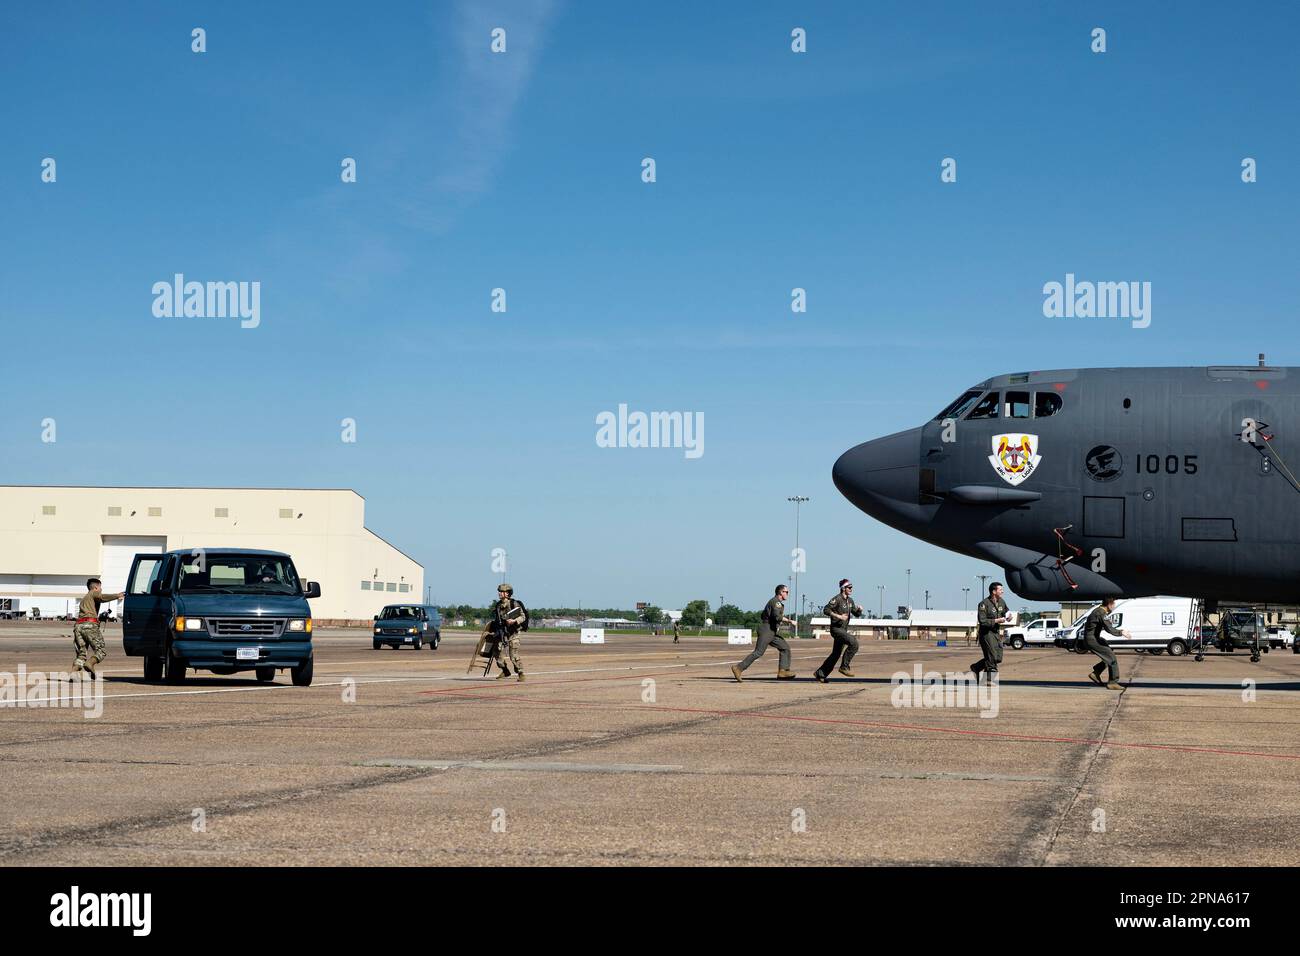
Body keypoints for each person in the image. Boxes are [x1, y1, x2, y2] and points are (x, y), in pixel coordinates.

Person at [731, 585, 797, 681]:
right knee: (758, 652)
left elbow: (764, 615)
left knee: (785, 647)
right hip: (767, 630)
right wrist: (790, 621)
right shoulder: (776, 602)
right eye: (786, 592)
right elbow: (776, 616)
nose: (787, 594)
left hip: (771, 631)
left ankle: (783, 671)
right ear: (780, 592)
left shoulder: (776, 603)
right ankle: (738, 668)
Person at [814, 579, 864, 682]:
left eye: (851, 587)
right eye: (849, 587)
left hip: (843, 630)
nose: (851, 589)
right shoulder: (837, 599)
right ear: (843, 588)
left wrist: (860, 610)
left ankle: (820, 673)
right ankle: (844, 667)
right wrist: (838, 616)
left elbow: (856, 614)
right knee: (854, 643)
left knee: (836, 654)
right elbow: (826, 609)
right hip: (836, 629)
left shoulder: (850, 601)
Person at [73, 577, 123, 677]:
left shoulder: (85, 599)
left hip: (78, 626)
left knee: (81, 655)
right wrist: (118, 595)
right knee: (101, 651)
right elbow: (101, 597)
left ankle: (74, 673)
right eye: (100, 588)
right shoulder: (93, 593)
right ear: (96, 587)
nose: (101, 590)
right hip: (89, 626)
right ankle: (90, 663)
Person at [1082, 597, 1131, 689]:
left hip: (1093, 638)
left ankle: (1096, 673)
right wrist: (1121, 632)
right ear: (1109, 604)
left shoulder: (1098, 611)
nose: (1115, 606)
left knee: (1107, 657)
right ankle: (1112, 682)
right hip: (1092, 640)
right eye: (1114, 604)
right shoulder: (1101, 613)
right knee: (1112, 659)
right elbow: (1109, 629)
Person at [482, 583, 527, 682]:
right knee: (497, 653)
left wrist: (514, 621)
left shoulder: (514, 604)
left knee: (513, 655)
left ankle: (520, 673)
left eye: (502, 592)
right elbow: (497, 621)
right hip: (502, 632)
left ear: (507, 593)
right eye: (499, 592)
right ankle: (505, 670)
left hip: (513, 633)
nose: (499, 593)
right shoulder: (498, 605)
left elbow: (523, 617)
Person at [971, 582, 1011, 683]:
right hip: (986, 633)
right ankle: (988, 680)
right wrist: (997, 620)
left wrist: (1009, 616)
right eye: (1000, 589)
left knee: (998, 657)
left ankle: (976, 667)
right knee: (992, 656)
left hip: (996, 632)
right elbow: (983, 621)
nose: (1002, 591)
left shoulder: (1001, 601)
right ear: (994, 591)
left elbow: (1006, 611)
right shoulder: (984, 604)